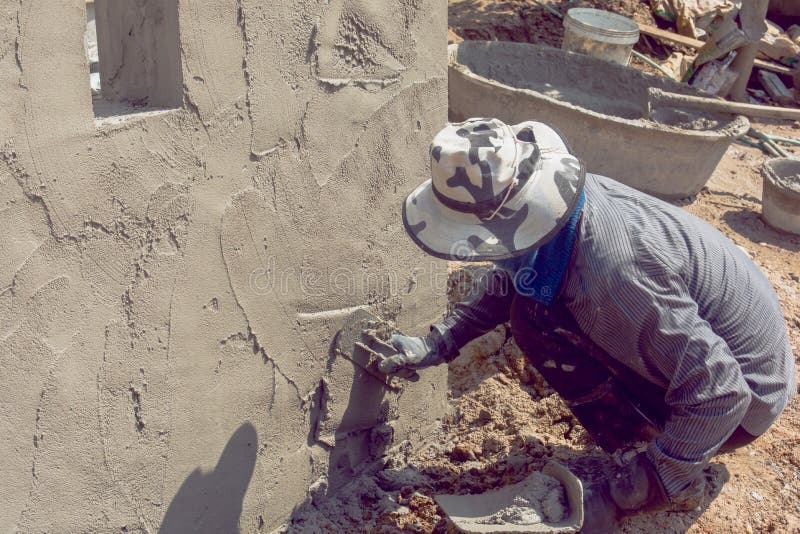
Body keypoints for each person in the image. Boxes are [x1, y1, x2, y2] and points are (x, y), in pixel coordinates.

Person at [377, 118, 796, 532]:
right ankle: (644, 448)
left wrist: (628, 493)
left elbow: (721, 392)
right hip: (715, 351)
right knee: (533, 314)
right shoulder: (559, 216)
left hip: (744, 400)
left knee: (542, 323)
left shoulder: (613, 280)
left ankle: (662, 466)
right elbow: (516, 273)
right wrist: (442, 341)